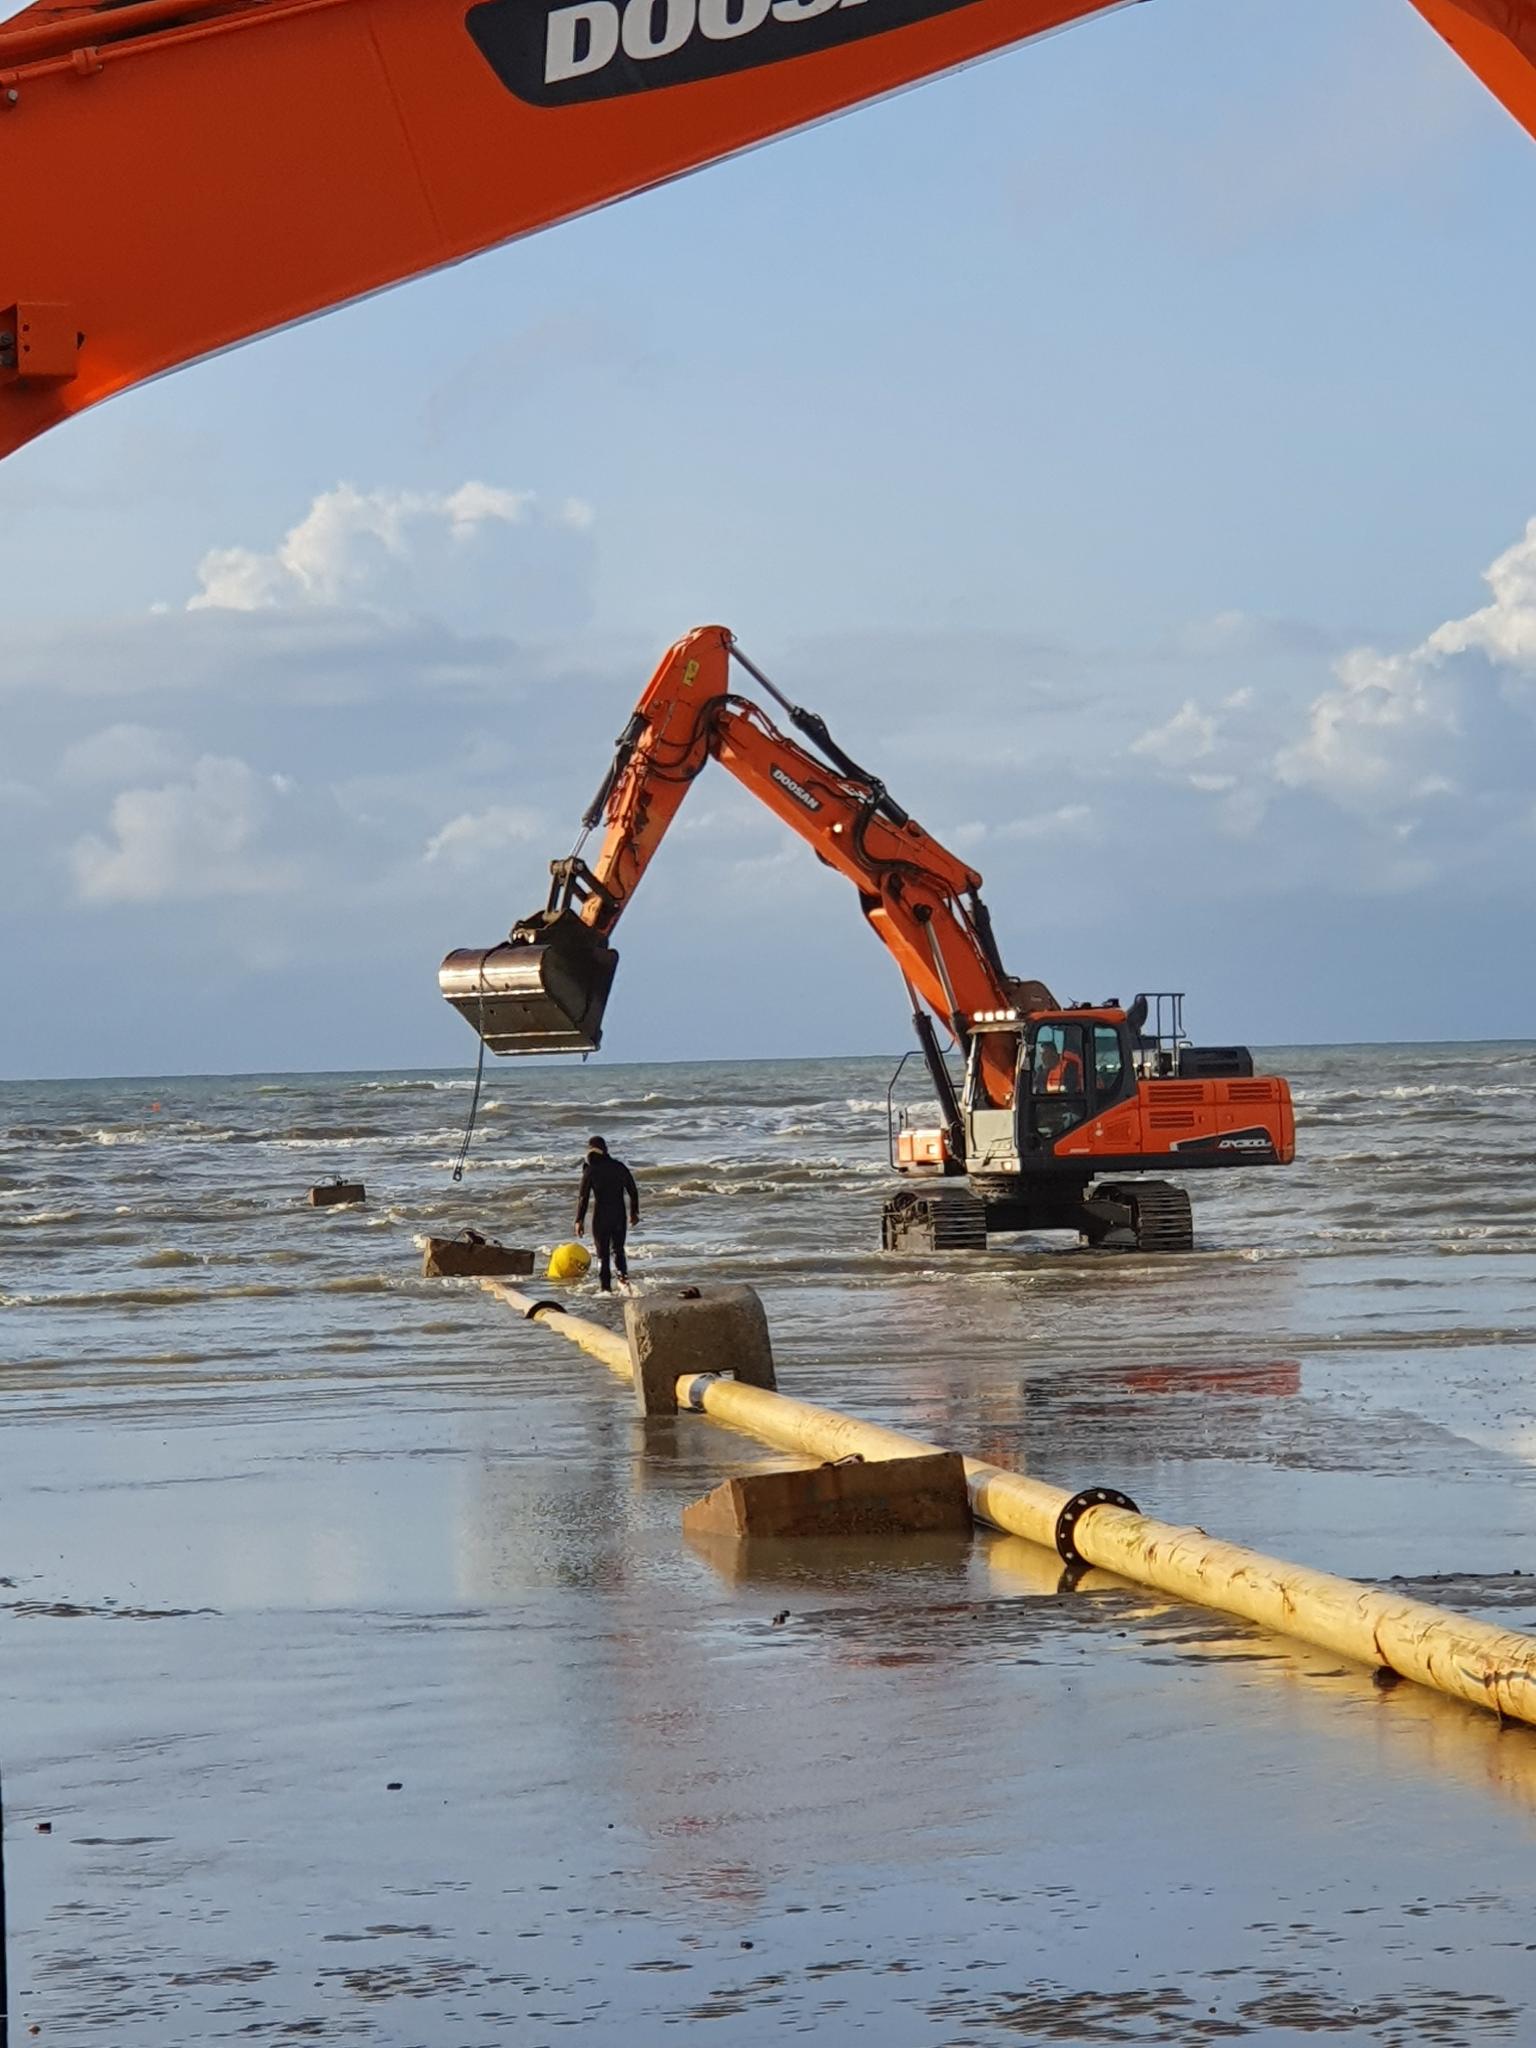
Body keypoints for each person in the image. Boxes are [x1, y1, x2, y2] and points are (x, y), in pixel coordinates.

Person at [575, 1135, 640, 1293]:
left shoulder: (590, 1170)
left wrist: (579, 1220)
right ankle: (624, 1285)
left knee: (603, 1255)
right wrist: (634, 1212)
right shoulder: (619, 1167)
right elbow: (633, 1191)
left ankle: (605, 1291)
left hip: (601, 1216)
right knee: (618, 1250)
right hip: (618, 1215)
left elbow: (583, 1198)